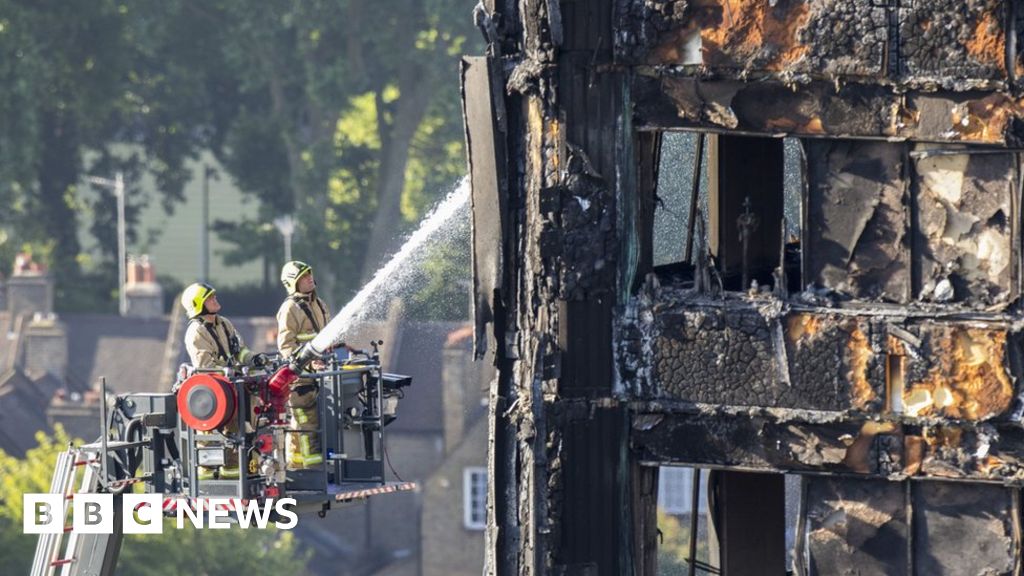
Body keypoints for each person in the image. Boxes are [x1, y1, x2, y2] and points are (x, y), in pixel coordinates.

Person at [180, 282, 267, 479]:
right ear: (198, 304)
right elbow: (205, 364)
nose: (215, 300)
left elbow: (239, 350)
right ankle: (218, 475)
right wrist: (227, 371)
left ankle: (240, 470)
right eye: (209, 298)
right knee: (222, 431)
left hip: (232, 384)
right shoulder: (196, 332)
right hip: (212, 391)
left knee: (244, 425)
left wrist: (253, 358)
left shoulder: (224, 323)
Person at [276, 261, 331, 470]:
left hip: (321, 377)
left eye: (310, 273)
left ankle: (308, 467)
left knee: (318, 424)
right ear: (293, 283)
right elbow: (286, 347)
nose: (309, 278)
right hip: (301, 381)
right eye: (303, 276)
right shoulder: (290, 309)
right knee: (305, 426)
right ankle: (305, 471)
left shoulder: (320, 304)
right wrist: (308, 366)